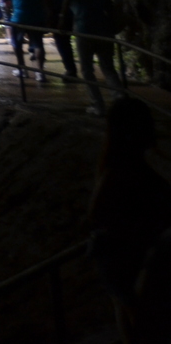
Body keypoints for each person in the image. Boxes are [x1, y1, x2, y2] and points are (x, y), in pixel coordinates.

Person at [90, 98, 171, 343]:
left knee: (130, 310)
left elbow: (95, 214)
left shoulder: (117, 166)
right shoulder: (133, 167)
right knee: (136, 311)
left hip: (121, 249)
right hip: (129, 250)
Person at [64, 0, 124, 114]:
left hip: (84, 33)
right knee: (108, 68)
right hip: (104, 33)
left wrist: (61, 19)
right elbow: (112, 9)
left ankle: (98, 105)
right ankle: (121, 101)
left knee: (87, 70)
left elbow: (67, 3)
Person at [4, 0, 48, 81]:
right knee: (38, 44)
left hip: (19, 17)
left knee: (17, 44)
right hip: (36, 16)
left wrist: (10, 8)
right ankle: (40, 72)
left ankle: (22, 69)